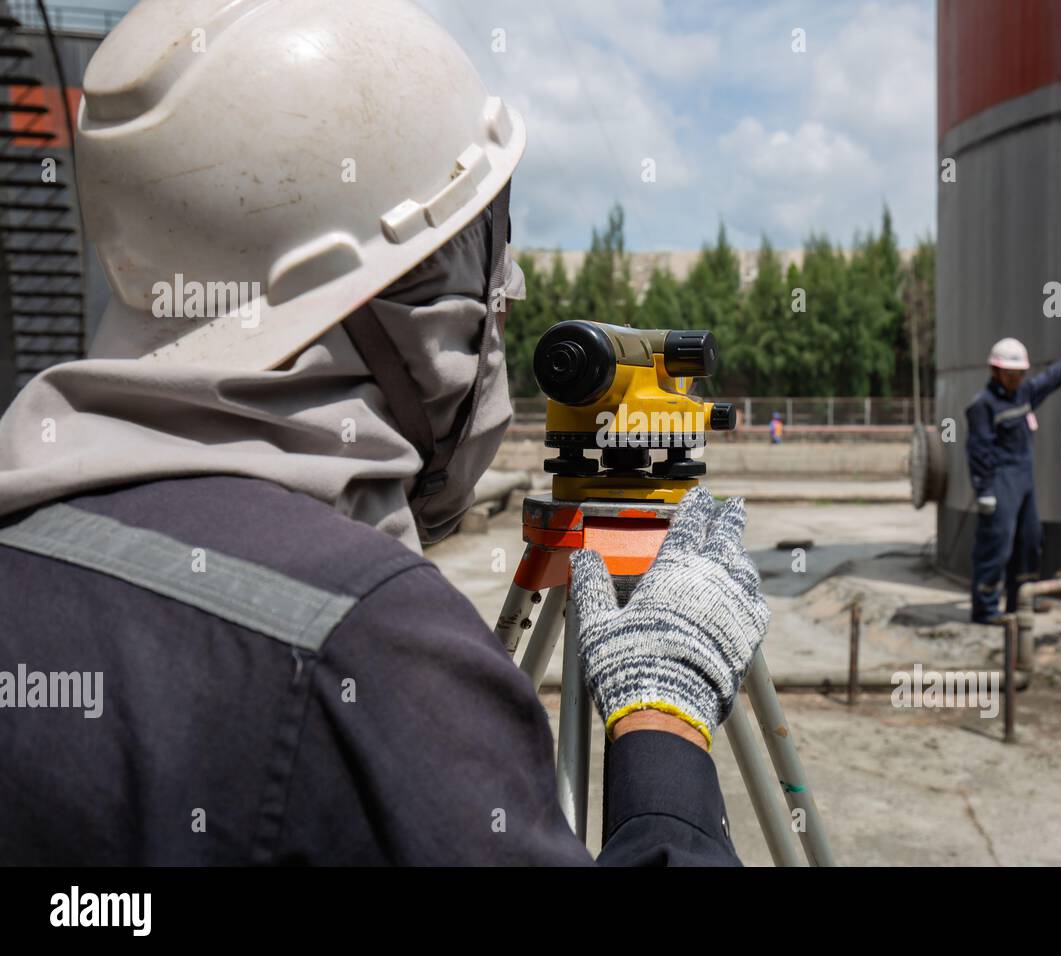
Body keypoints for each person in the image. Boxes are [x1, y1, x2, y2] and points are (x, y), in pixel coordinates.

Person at [0, 0, 769, 866]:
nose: (501, 295)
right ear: (407, 293)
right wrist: (664, 721)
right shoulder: (375, 652)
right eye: (481, 255)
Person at [965, 334, 1061, 624]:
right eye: (1010, 375)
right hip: (1000, 481)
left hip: (1024, 481)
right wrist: (984, 490)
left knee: (1030, 540)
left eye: (1020, 374)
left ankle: (1023, 598)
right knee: (997, 543)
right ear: (995, 371)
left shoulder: (1023, 395)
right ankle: (985, 608)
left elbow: (1051, 380)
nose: (1016, 380)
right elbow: (978, 451)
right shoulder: (983, 405)